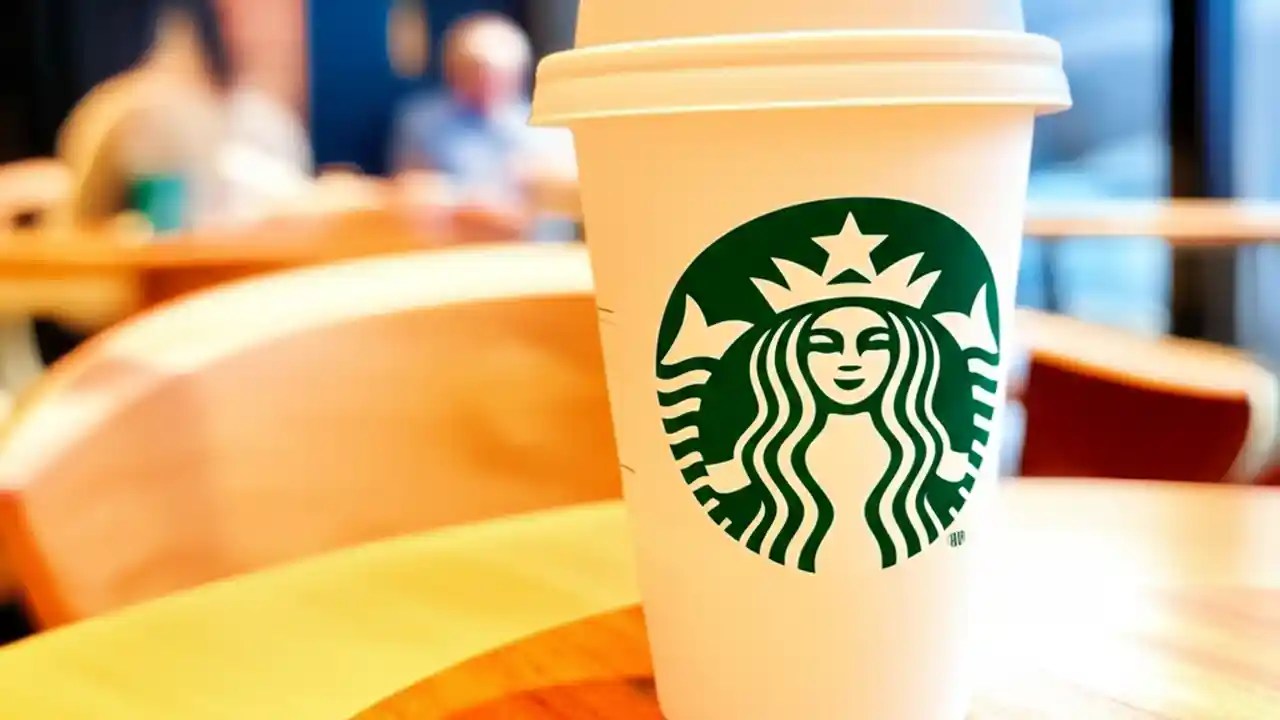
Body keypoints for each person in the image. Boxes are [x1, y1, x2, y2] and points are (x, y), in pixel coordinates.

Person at [388, 12, 576, 241]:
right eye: (474, 68)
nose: (485, 79)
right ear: (452, 69)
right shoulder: (423, 122)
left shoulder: (549, 128)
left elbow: (565, 199)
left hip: (534, 249)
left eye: (497, 71)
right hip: (454, 248)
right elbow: (412, 191)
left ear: (520, 72)